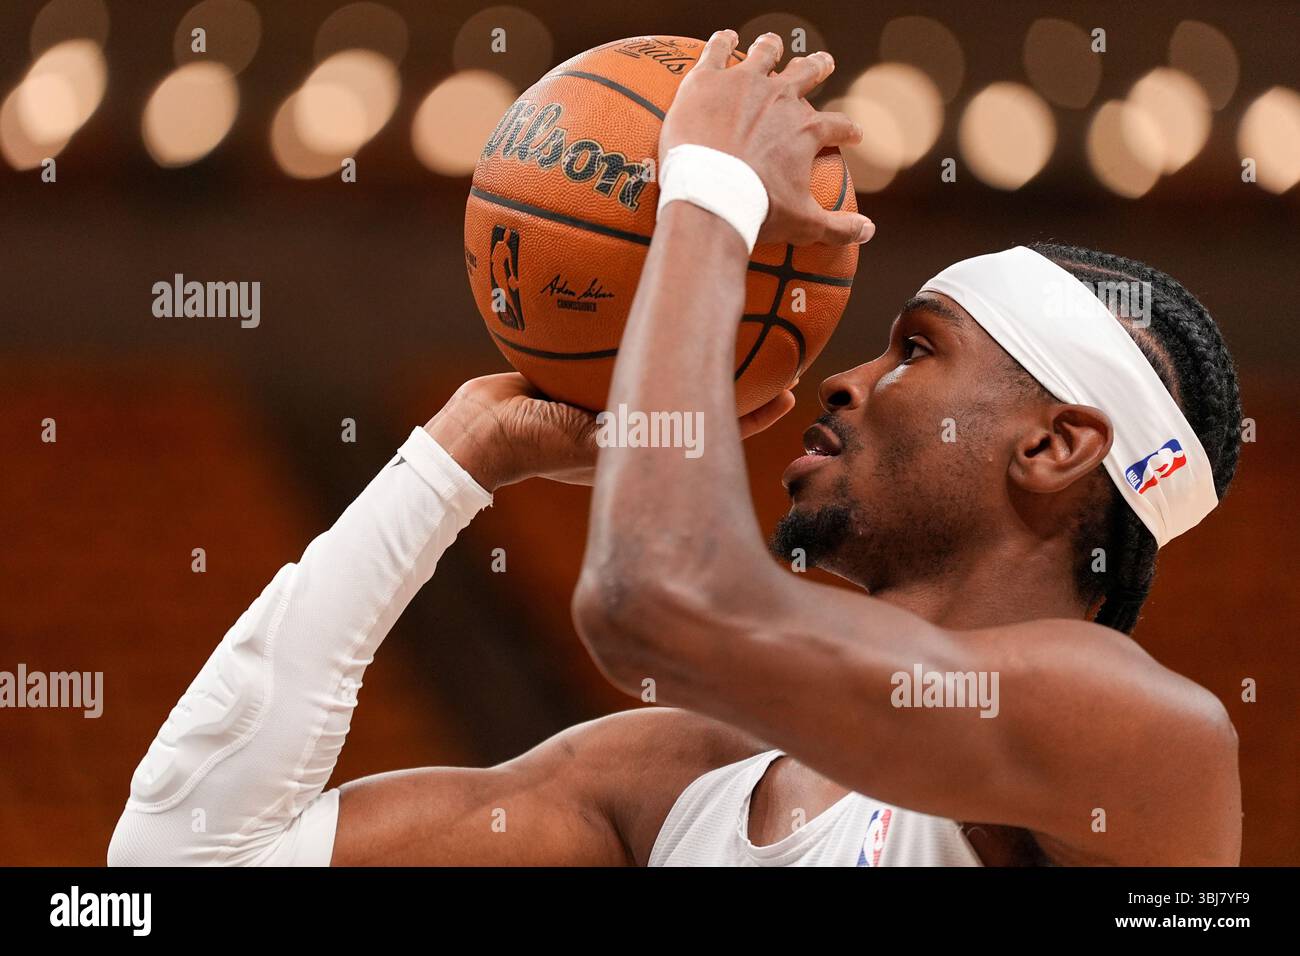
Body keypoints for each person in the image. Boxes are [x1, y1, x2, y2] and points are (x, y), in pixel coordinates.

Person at [108, 30, 1241, 868]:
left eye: (913, 348)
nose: (844, 372)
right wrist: (457, 454)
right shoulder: (677, 774)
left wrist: (708, 191)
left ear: (1052, 443)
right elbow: (180, 859)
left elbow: (654, 598)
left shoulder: (1137, 737)